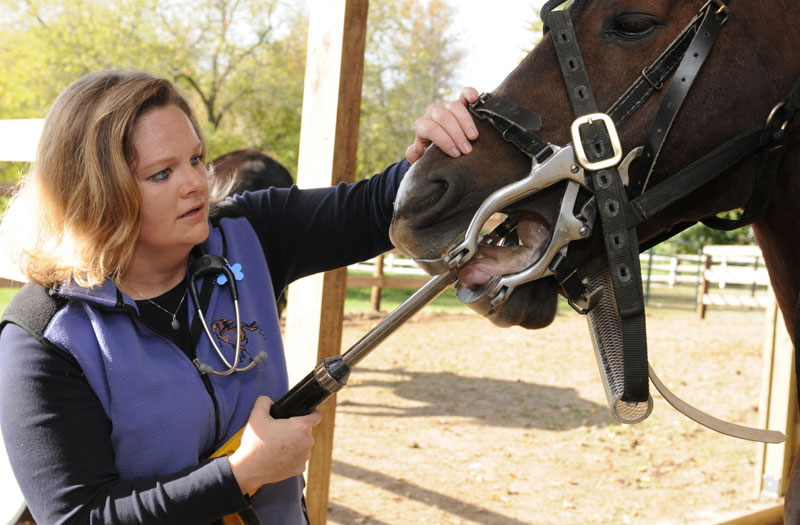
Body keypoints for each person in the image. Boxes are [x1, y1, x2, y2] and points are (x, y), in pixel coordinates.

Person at [0, 69, 478, 524]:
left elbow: (379, 206)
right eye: (161, 174)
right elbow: (79, 516)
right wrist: (243, 473)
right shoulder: (42, 339)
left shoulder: (251, 234)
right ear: (95, 192)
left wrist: (438, 155)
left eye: (195, 159)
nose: (195, 184)